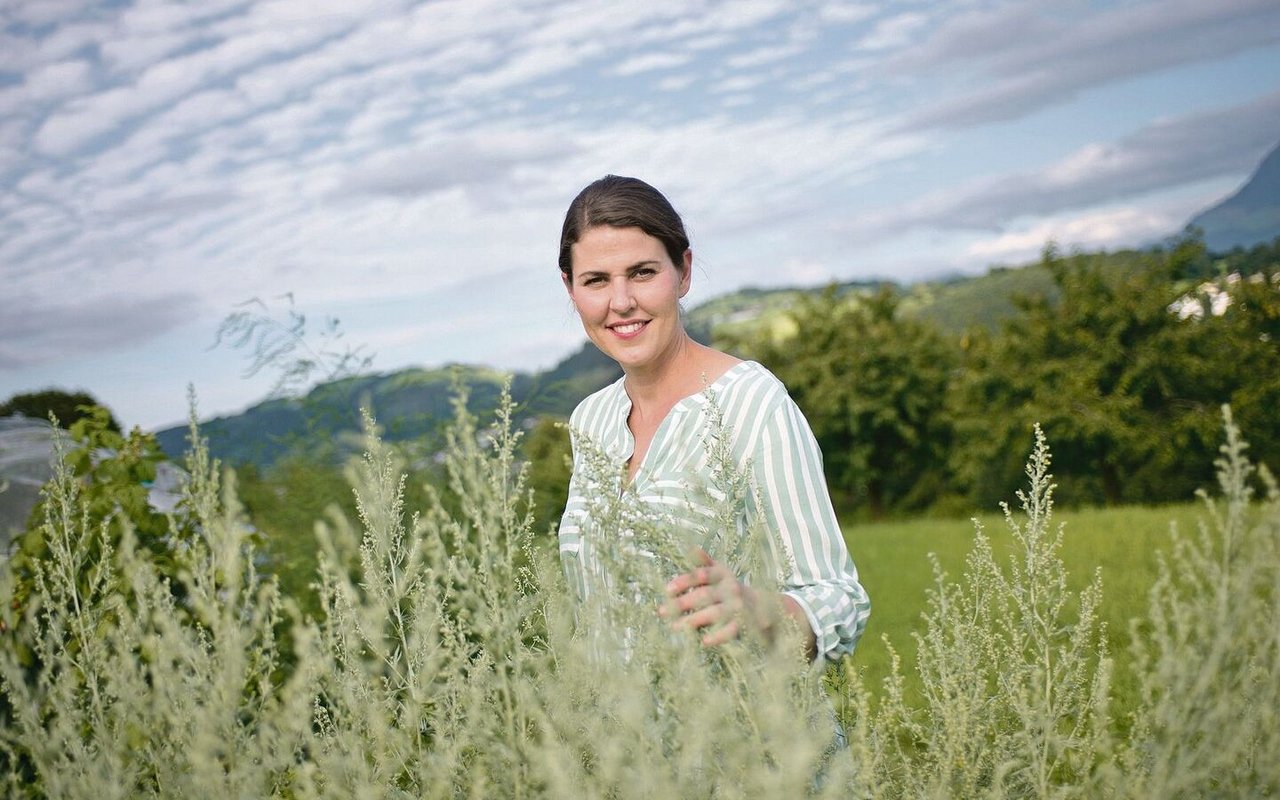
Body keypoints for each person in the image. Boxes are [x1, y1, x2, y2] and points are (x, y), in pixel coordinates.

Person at [556, 175, 869, 663]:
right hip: (621, 736)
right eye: (597, 280)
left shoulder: (752, 401)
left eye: (642, 272)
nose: (621, 302)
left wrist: (755, 611)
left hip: (746, 734)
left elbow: (839, 603)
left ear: (682, 272)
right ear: (572, 290)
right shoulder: (591, 420)